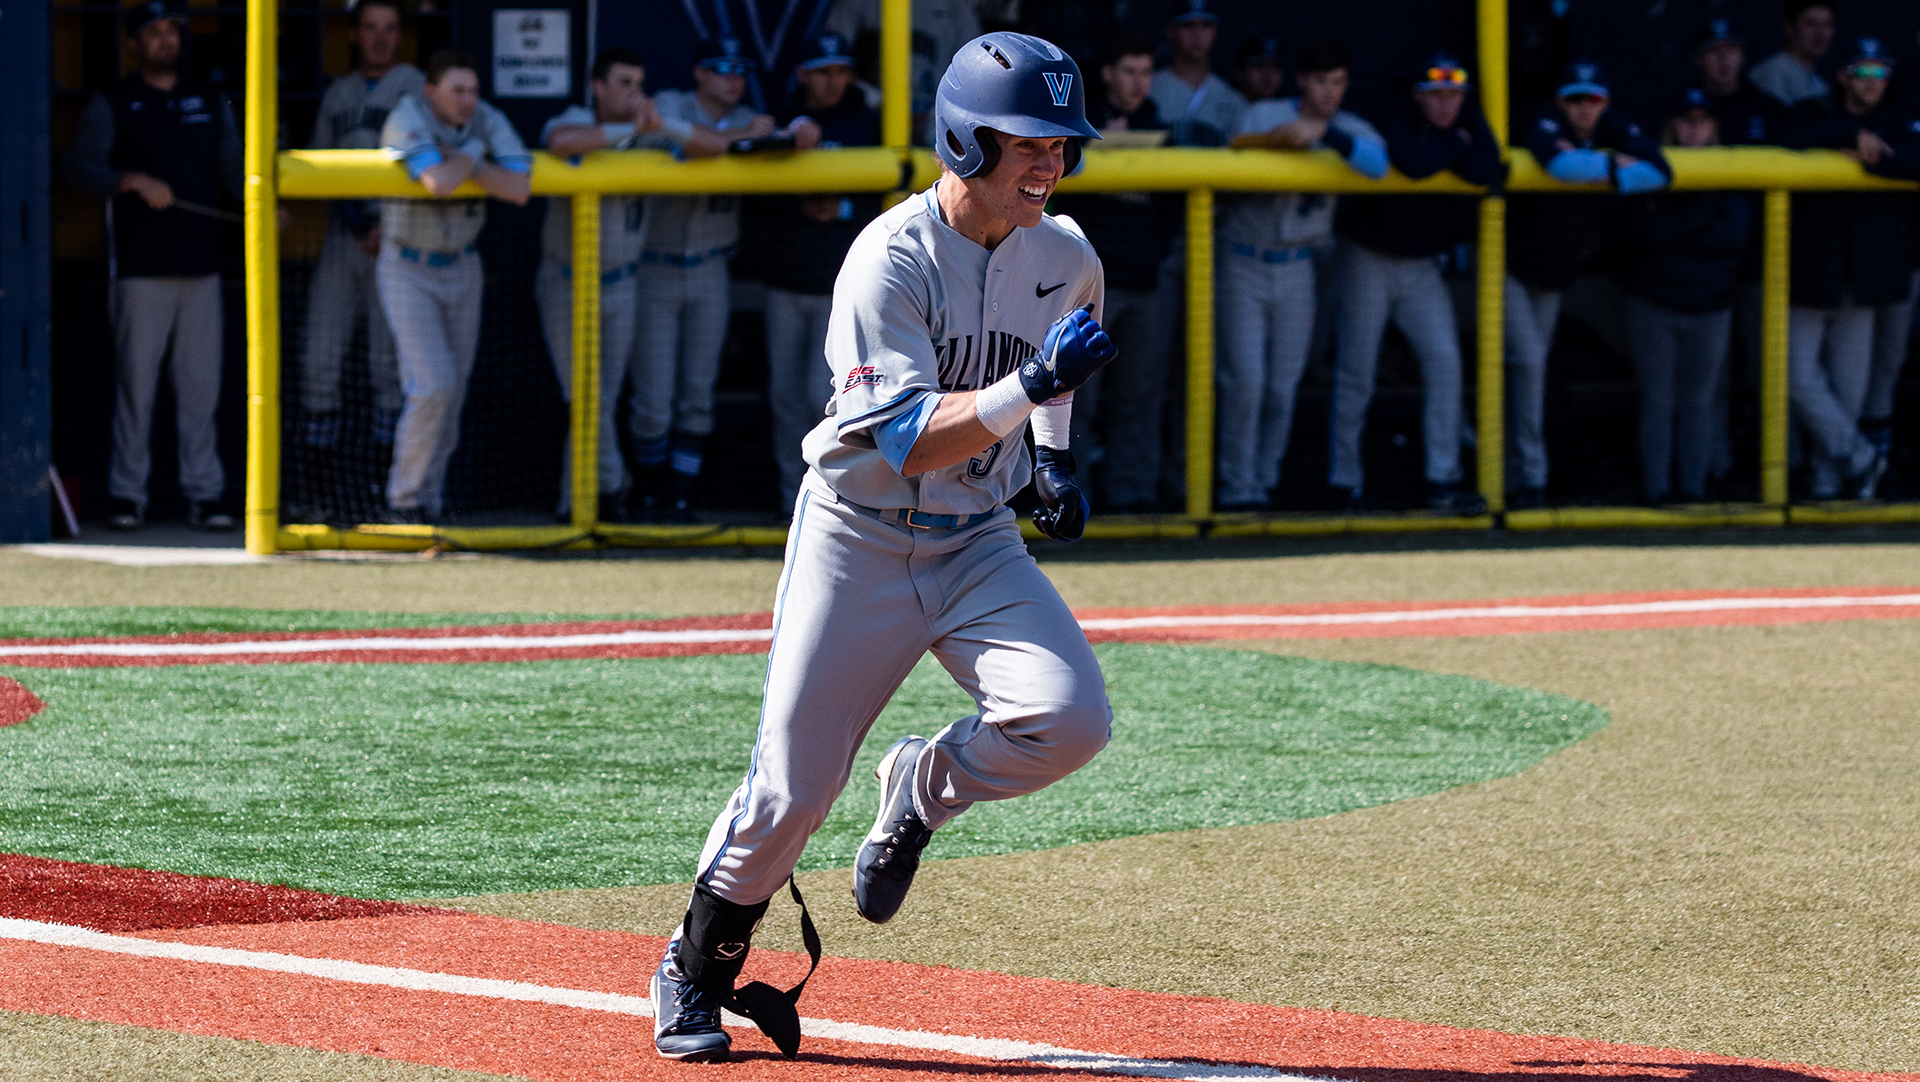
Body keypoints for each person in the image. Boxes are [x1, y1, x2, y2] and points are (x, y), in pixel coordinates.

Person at [649, 31, 1115, 1064]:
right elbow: (907, 439)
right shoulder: (889, 258)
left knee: (1071, 717)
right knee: (793, 791)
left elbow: (1059, 361)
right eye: (1028, 141)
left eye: (1063, 145)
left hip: (978, 539)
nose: (1049, 163)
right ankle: (694, 964)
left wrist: (1054, 459)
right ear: (963, 137)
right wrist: (1028, 392)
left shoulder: (1067, 253)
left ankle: (921, 787)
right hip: (858, 534)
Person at [62, 0, 241, 532]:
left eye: (173, 31)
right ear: (134, 43)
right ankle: (127, 495)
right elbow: (76, 168)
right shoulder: (113, 103)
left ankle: (205, 495)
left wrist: (266, 205)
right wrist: (131, 180)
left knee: (201, 389)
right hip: (139, 272)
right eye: (154, 32)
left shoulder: (210, 101)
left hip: (203, 268)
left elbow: (235, 170)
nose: (166, 39)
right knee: (135, 390)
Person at [1215, 37, 1387, 511]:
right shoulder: (1263, 115)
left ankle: (1263, 484)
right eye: (1318, 81)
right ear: (1302, 81)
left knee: (1281, 388)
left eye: (1336, 82)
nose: (1328, 91)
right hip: (1244, 259)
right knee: (1246, 382)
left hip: (1298, 269)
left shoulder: (1351, 128)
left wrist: (1325, 134)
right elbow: (1224, 179)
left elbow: (1379, 165)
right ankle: (1236, 487)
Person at [1330, 53, 1502, 515]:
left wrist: (1456, 142)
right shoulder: (1396, 115)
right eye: (1436, 96)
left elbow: (1491, 169)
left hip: (1422, 265)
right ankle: (1343, 483)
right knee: (1357, 373)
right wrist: (1456, 144)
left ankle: (1442, 477)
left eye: (1454, 96)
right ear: (1418, 95)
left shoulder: (1469, 119)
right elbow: (1411, 162)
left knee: (1445, 363)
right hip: (1370, 256)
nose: (1447, 106)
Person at [1505, 60, 1671, 508]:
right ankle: (1530, 479)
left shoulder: (1612, 126)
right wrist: (1613, 166)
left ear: (1605, 102)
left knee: (1529, 371)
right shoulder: (1539, 120)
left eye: (1592, 100)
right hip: (1508, 268)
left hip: (1554, 272)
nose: (1583, 109)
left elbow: (1660, 171)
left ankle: (1516, 472)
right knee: (1528, 364)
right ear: (1560, 101)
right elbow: (1558, 164)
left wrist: (1601, 166)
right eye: (1575, 99)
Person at [627, 36, 779, 523]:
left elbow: (770, 137)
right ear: (699, 73)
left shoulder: (749, 117)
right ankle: (647, 493)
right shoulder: (671, 105)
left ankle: (679, 496)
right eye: (722, 68)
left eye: (740, 70)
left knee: (697, 393)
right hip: (656, 264)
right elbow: (697, 141)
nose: (734, 79)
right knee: (652, 399)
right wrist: (746, 139)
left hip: (711, 267)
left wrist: (760, 135)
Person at [376, 50, 532, 524]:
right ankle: (402, 500)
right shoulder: (408, 113)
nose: (468, 100)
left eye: (472, 90)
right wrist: (475, 158)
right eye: (456, 90)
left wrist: (469, 158)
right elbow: (439, 182)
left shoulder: (486, 118)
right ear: (432, 92)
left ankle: (430, 502)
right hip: (407, 264)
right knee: (432, 386)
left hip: (462, 265)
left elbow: (520, 189)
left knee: (454, 391)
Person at [293, 0, 423, 522]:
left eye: (390, 28)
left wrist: (384, 224)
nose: (380, 38)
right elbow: (315, 164)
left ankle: (380, 491)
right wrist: (354, 220)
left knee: (388, 370)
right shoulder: (339, 93)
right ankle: (319, 491)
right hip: (345, 242)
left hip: (400, 238)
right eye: (370, 28)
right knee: (318, 362)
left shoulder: (417, 86)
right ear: (352, 34)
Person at [1780, 37, 1916, 499]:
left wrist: (1875, 162)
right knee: (1797, 380)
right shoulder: (1813, 111)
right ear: (1843, 77)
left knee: (1849, 393)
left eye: (1880, 72)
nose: (1872, 82)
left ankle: (1829, 483)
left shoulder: (1898, 119)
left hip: (1864, 282)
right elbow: (1788, 135)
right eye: (1863, 72)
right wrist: (1846, 136)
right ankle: (1861, 459)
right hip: (1811, 275)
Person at [1049, 31, 1179, 512]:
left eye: (1146, 72)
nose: (1138, 82)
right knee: (1073, 401)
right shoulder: (1075, 129)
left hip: (1144, 283)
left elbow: (1170, 213)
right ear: (1107, 75)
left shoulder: (1164, 128)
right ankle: (1068, 499)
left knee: (1139, 399)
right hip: (1084, 289)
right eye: (1129, 70)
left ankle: (1133, 498)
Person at [537, 48, 663, 523]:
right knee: (584, 396)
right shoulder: (578, 117)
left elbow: (707, 147)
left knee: (603, 399)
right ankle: (602, 491)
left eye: (639, 82)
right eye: (624, 82)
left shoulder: (651, 125)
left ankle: (590, 497)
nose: (634, 92)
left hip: (622, 283)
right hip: (568, 283)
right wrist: (633, 129)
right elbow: (561, 142)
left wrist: (659, 127)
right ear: (598, 86)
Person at [763, 32, 882, 513]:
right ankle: (790, 498)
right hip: (786, 279)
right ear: (803, 75)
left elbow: (891, 200)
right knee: (785, 399)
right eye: (822, 71)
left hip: (843, 291)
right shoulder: (780, 118)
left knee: (825, 399)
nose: (833, 81)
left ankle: (833, 500)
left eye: (840, 71)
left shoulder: (870, 123)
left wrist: (843, 205)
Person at [1620, 88, 1755, 505]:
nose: (1694, 128)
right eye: (1686, 119)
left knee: (1699, 402)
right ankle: (1657, 490)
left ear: (1714, 126)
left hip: (1710, 305)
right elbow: (1641, 233)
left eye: (1702, 120)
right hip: (1653, 302)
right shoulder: (1648, 166)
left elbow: (1731, 237)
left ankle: (1694, 490)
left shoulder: (1730, 168)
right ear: (1672, 125)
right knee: (1657, 401)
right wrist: (1695, 228)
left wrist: (1677, 227)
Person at [1149, 0, 1245, 148]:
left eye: (1206, 26)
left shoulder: (1231, 98)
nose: (1197, 35)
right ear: (1170, 31)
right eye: (1187, 25)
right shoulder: (1147, 88)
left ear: (1215, 32)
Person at [1691, 17, 1785, 145]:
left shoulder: (1767, 109)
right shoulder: (1683, 107)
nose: (1723, 58)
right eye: (1713, 49)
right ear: (1698, 58)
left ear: (1742, 55)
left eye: (1731, 48)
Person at [1750, 0, 1836, 108]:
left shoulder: (1820, 84)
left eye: (1826, 24)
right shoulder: (1774, 72)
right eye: (1810, 23)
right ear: (1789, 27)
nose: (1820, 33)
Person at [1232, 35, 1285, 105]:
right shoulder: (1223, 107)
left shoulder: (1291, 111)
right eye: (1258, 65)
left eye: (1276, 66)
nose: (1267, 75)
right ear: (1240, 72)